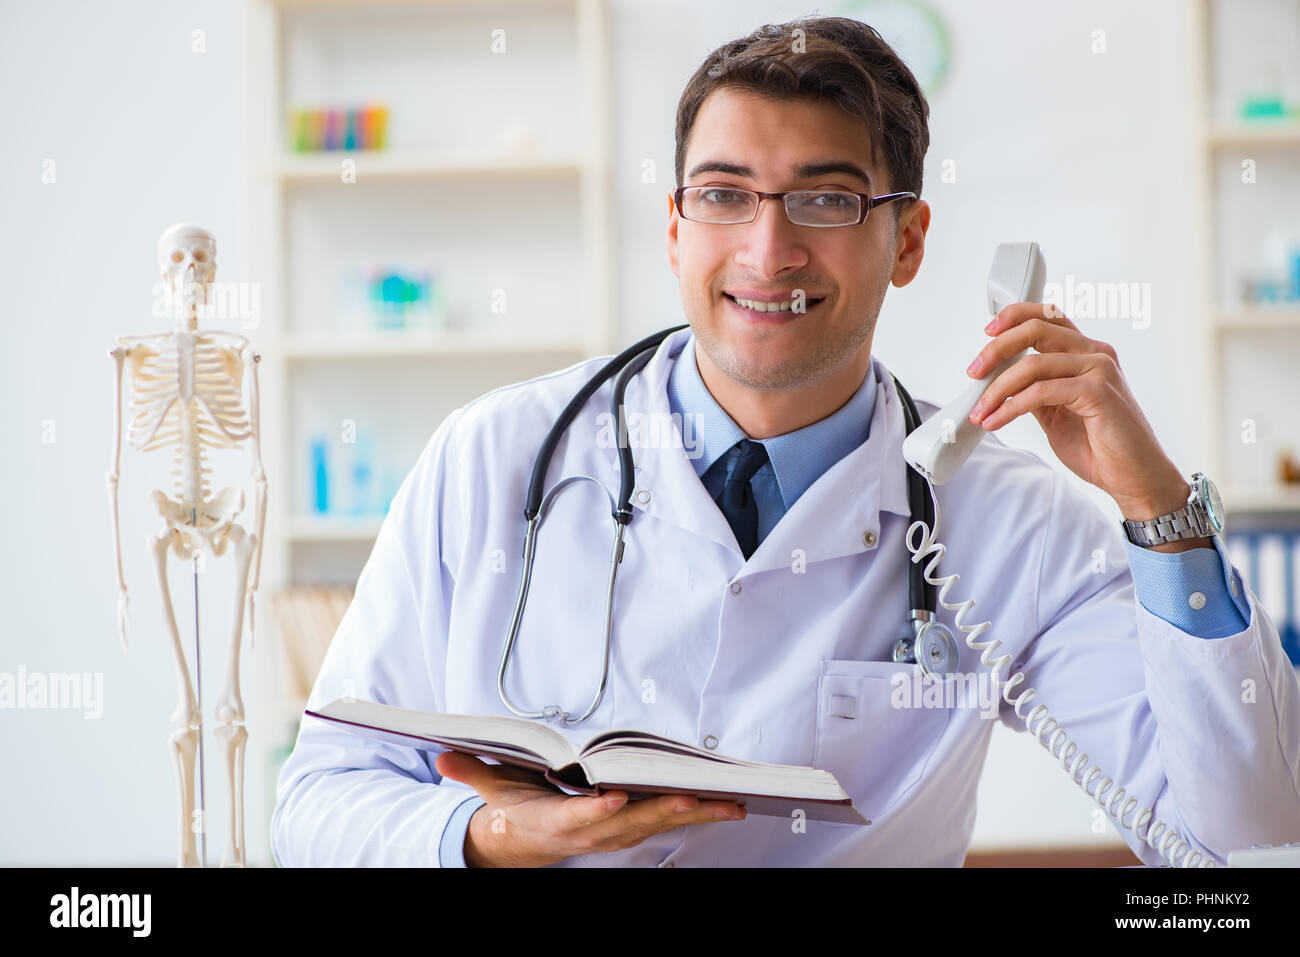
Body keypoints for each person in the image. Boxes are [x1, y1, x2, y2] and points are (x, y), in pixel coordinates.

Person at [271, 16, 1300, 867]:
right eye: (724, 195)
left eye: (825, 197)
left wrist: (1157, 510)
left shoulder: (1007, 525)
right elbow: (316, 807)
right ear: (676, 228)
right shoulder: (492, 459)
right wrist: (488, 836)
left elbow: (1242, 845)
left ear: (906, 241)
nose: (769, 250)